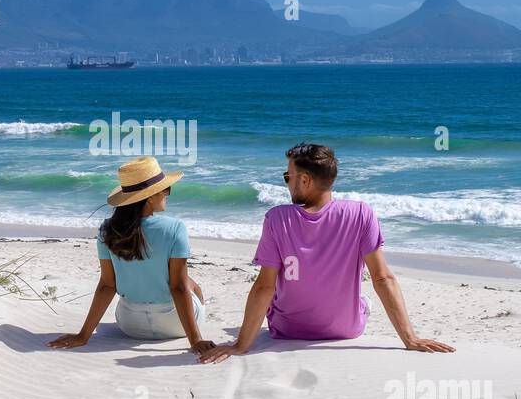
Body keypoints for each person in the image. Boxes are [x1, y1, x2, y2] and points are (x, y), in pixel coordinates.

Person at [200, 141, 454, 363]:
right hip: (346, 330)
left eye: (288, 176)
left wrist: (241, 345)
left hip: (288, 329)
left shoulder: (277, 218)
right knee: (361, 304)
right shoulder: (361, 214)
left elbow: (264, 287)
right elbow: (382, 278)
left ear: (305, 180)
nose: (287, 183)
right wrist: (410, 338)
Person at [49, 156, 215, 353]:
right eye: (166, 189)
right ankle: (193, 330)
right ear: (151, 196)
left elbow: (107, 285)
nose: (167, 194)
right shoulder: (175, 228)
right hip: (174, 325)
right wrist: (195, 341)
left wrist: (83, 335)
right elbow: (178, 288)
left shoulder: (107, 230)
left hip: (130, 325)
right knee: (188, 282)